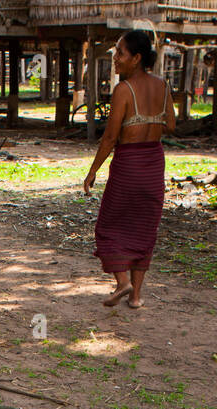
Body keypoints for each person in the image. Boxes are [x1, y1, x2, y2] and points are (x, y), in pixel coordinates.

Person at [82, 30, 176, 309]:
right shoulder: (163, 87)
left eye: (120, 53)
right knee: (144, 229)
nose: (115, 58)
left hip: (128, 164)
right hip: (153, 163)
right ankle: (136, 297)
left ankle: (123, 282)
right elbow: (170, 125)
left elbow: (110, 138)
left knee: (109, 226)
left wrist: (92, 171)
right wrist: (149, 121)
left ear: (136, 58)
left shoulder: (123, 90)